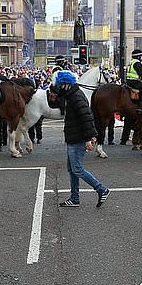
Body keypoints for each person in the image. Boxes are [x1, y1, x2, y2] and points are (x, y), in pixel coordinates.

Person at [52, 71, 108, 208]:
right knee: (72, 169)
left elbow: (87, 117)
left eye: (60, 85)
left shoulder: (76, 97)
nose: (59, 87)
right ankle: (74, 198)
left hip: (78, 138)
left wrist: (90, 137)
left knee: (77, 169)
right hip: (74, 136)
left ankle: (101, 189)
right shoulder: (72, 95)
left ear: (66, 84)